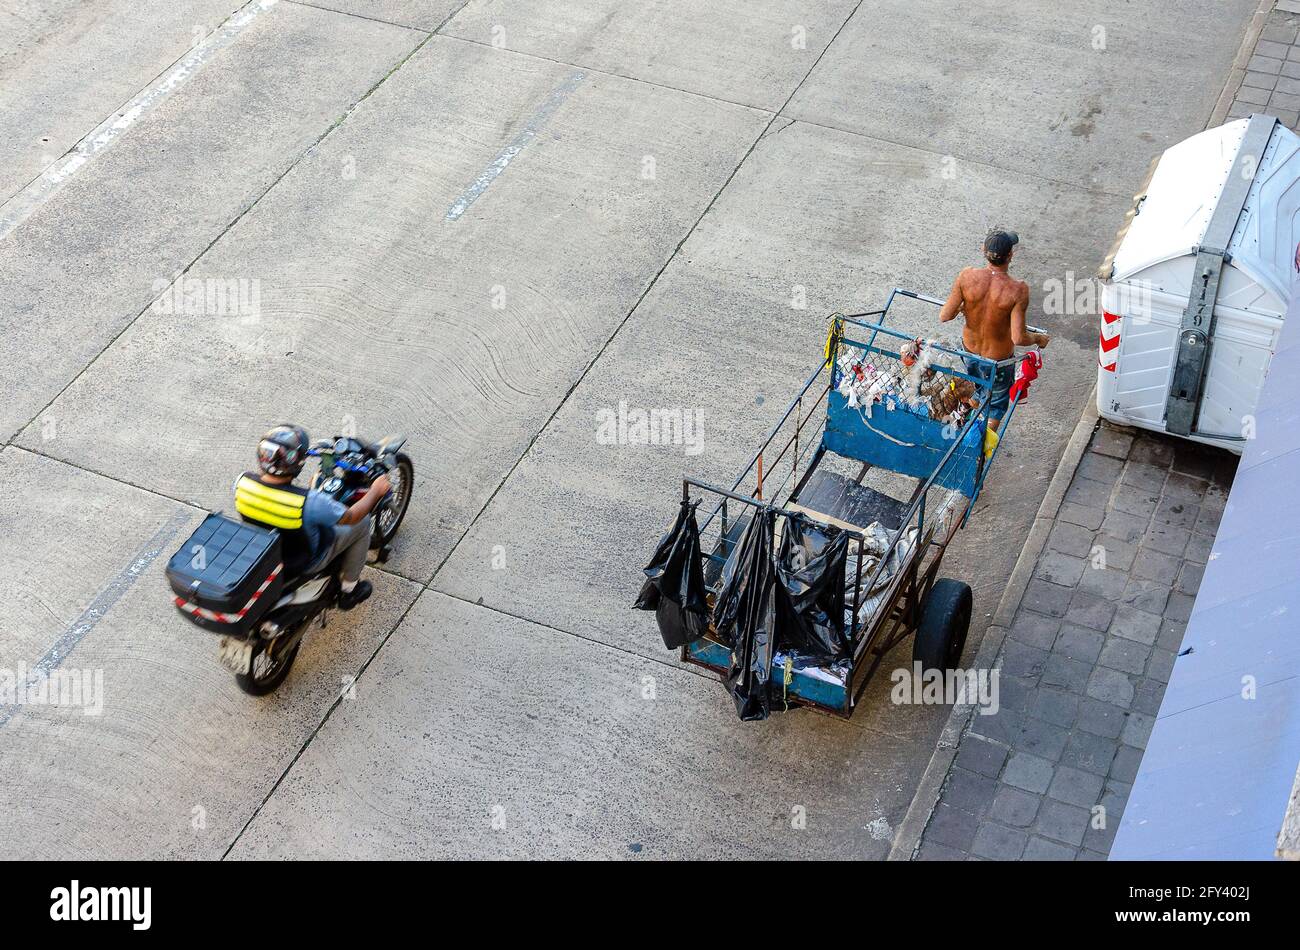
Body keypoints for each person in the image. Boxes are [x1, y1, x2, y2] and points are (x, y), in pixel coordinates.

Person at [234, 424, 390, 610]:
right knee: (363, 523)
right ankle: (350, 590)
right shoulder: (309, 502)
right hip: (306, 560)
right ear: (298, 463)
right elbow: (351, 516)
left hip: (267, 552)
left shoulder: (242, 483)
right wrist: (375, 491)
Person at [938, 229, 1050, 432]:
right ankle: (981, 449)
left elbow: (945, 315)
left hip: (969, 352)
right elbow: (1018, 337)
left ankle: (973, 418)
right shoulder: (1018, 289)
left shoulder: (966, 276)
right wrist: (1039, 339)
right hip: (997, 362)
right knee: (996, 405)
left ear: (983, 250)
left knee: (978, 386)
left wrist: (966, 307)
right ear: (1010, 255)